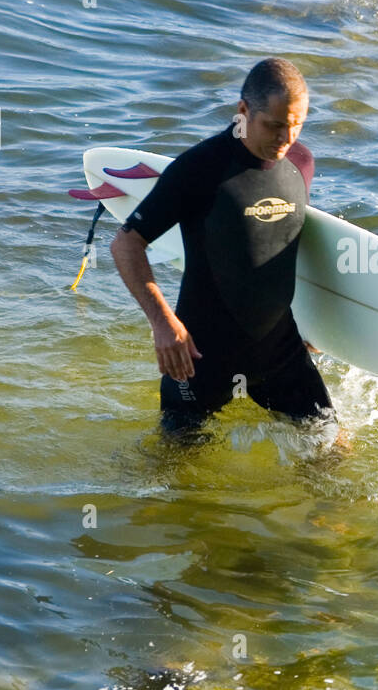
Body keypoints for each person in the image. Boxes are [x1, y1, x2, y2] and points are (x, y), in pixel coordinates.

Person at [110, 58, 336, 438]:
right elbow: (126, 244)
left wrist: (313, 321)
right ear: (244, 111)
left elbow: (281, 245)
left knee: (332, 454)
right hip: (199, 357)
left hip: (279, 351)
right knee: (171, 476)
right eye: (275, 125)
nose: (286, 137)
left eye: (297, 124)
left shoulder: (301, 163)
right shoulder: (201, 169)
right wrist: (163, 324)